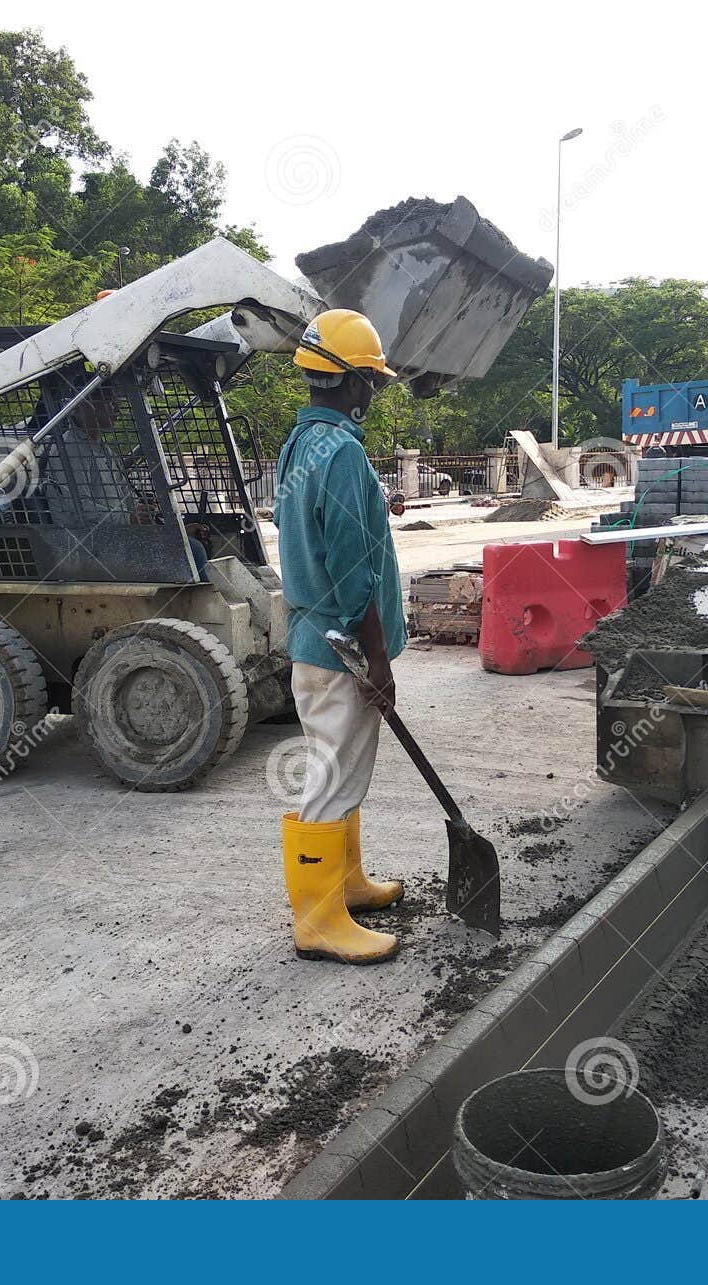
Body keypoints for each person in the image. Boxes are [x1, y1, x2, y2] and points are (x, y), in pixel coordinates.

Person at [272, 308, 406, 965]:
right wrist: (377, 659)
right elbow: (355, 572)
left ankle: (345, 883)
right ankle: (319, 921)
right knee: (329, 775)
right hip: (341, 647)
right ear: (352, 383)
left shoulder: (300, 445)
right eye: (372, 384)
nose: (373, 396)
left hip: (313, 634)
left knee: (342, 766)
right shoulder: (343, 452)